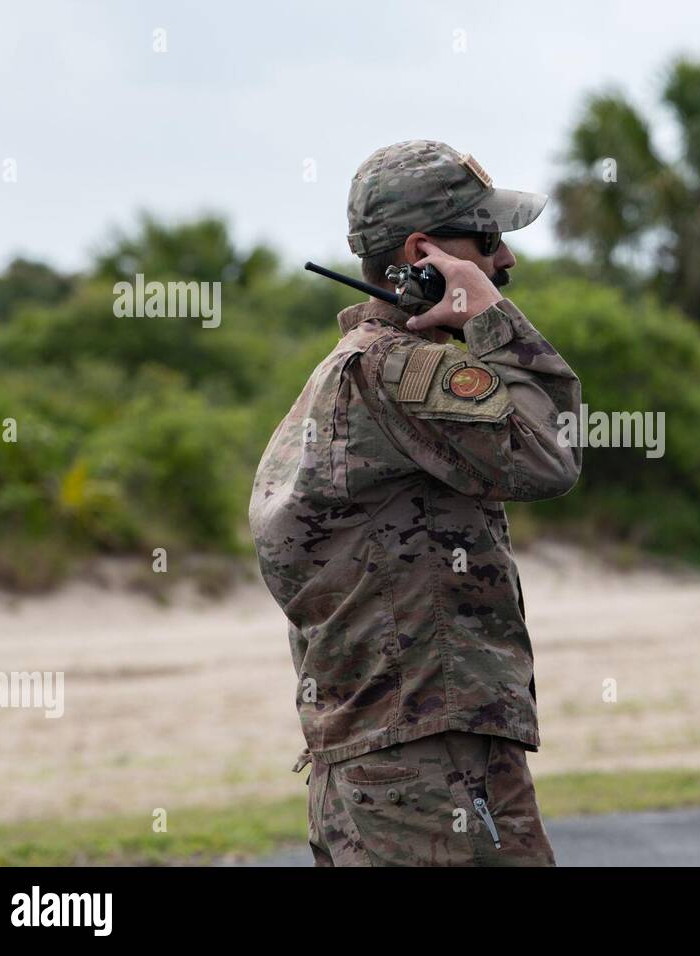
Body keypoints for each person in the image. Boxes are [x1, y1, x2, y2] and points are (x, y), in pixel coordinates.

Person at [248, 140, 582, 866]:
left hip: (382, 768)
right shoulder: (400, 371)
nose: (505, 262)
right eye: (487, 240)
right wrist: (493, 319)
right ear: (423, 253)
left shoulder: (348, 369)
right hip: (429, 773)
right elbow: (552, 452)